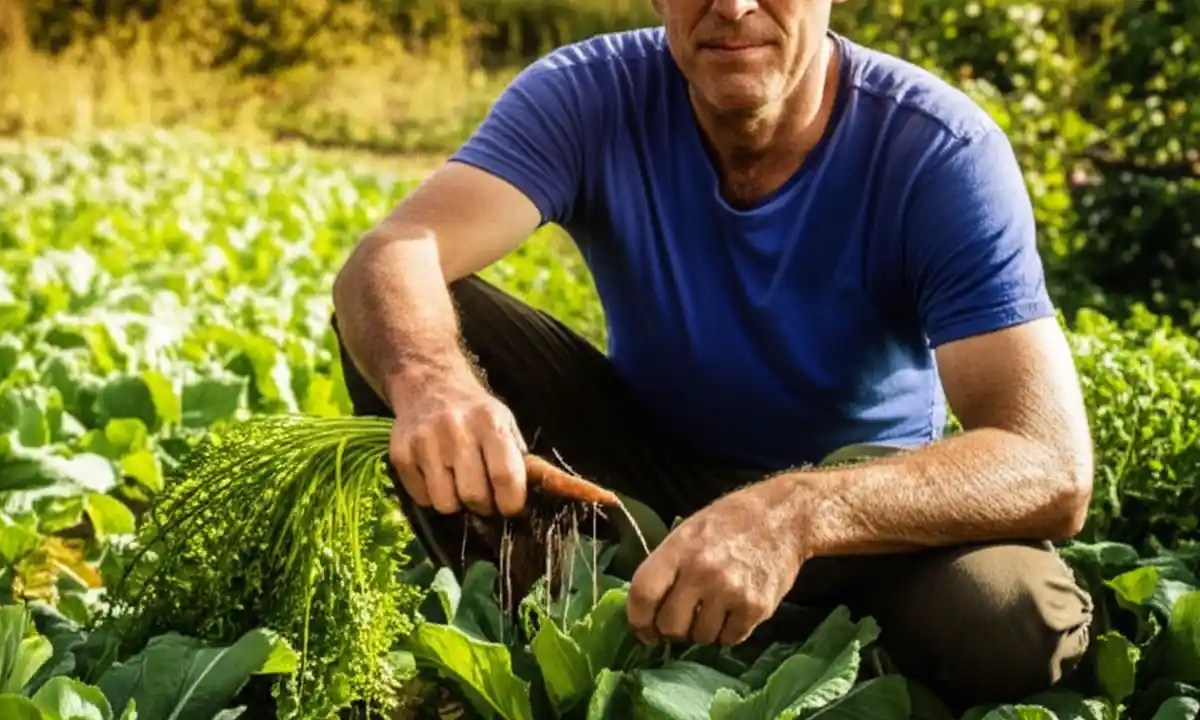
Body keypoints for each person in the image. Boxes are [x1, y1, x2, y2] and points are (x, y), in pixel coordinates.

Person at [331, 0, 1096, 710]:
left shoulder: (937, 148)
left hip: (867, 517)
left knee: (1012, 622)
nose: (732, 7)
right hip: (647, 470)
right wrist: (433, 381)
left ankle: (714, 623)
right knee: (415, 319)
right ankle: (558, 616)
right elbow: (395, 251)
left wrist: (793, 514)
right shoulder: (590, 94)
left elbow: (1050, 462)